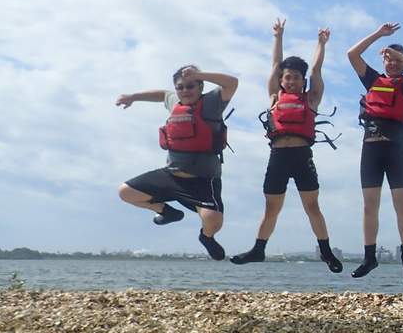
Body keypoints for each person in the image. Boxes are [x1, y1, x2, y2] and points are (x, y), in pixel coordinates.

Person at [229, 21, 342, 272]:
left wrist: (321, 44)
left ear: (303, 81)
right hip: (278, 156)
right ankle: (258, 250)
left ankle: (325, 252)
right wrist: (278, 37)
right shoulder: (274, 97)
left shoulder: (311, 98)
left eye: (296, 78)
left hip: (302, 156)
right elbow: (274, 65)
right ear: (282, 80)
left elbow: (316, 69)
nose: (291, 81)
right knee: (271, 208)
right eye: (287, 77)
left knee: (312, 206)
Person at [117, 64, 239, 260]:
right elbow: (162, 95)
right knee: (125, 192)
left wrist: (199, 74)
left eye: (190, 86)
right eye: (180, 87)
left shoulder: (212, 103)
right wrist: (133, 97)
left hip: (203, 180)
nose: (185, 91)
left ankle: (207, 238)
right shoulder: (175, 102)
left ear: (200, 87)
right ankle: (168, 212)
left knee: (213, 220)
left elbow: (232, 83)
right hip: (171, 176)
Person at [346, 21, 403, 280]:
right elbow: (352, 54)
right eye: (388, 59)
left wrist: (401, 57)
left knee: (401, 204)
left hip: (396, 150)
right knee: (369, 205)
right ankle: (369, 257)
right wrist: (379, 35)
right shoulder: (372, 80)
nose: (392, 64)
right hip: (371, 148)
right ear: (383, 62)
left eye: (397, 60)